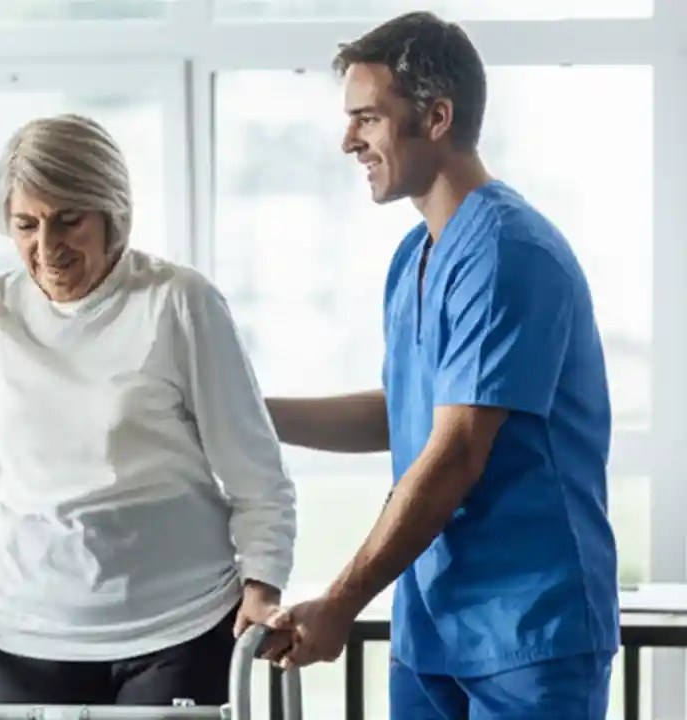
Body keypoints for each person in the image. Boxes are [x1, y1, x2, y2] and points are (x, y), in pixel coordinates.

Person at [263, 11, 619, 719]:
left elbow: (455, 451)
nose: (347, 142)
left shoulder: (508, 254)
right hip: (434, 629)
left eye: (367, 118)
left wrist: (339, 603)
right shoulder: (414, 258)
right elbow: (404, 410)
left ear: (436, 117)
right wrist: (242, 412)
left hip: (528, 631)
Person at [0, 113, 296, 706]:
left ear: (112, 214)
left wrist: (263, 581)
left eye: (68, 220)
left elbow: (255, 469)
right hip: (24, 635)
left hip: (179, 626)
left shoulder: (179, 302)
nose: (47, 247)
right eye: (26, 224)